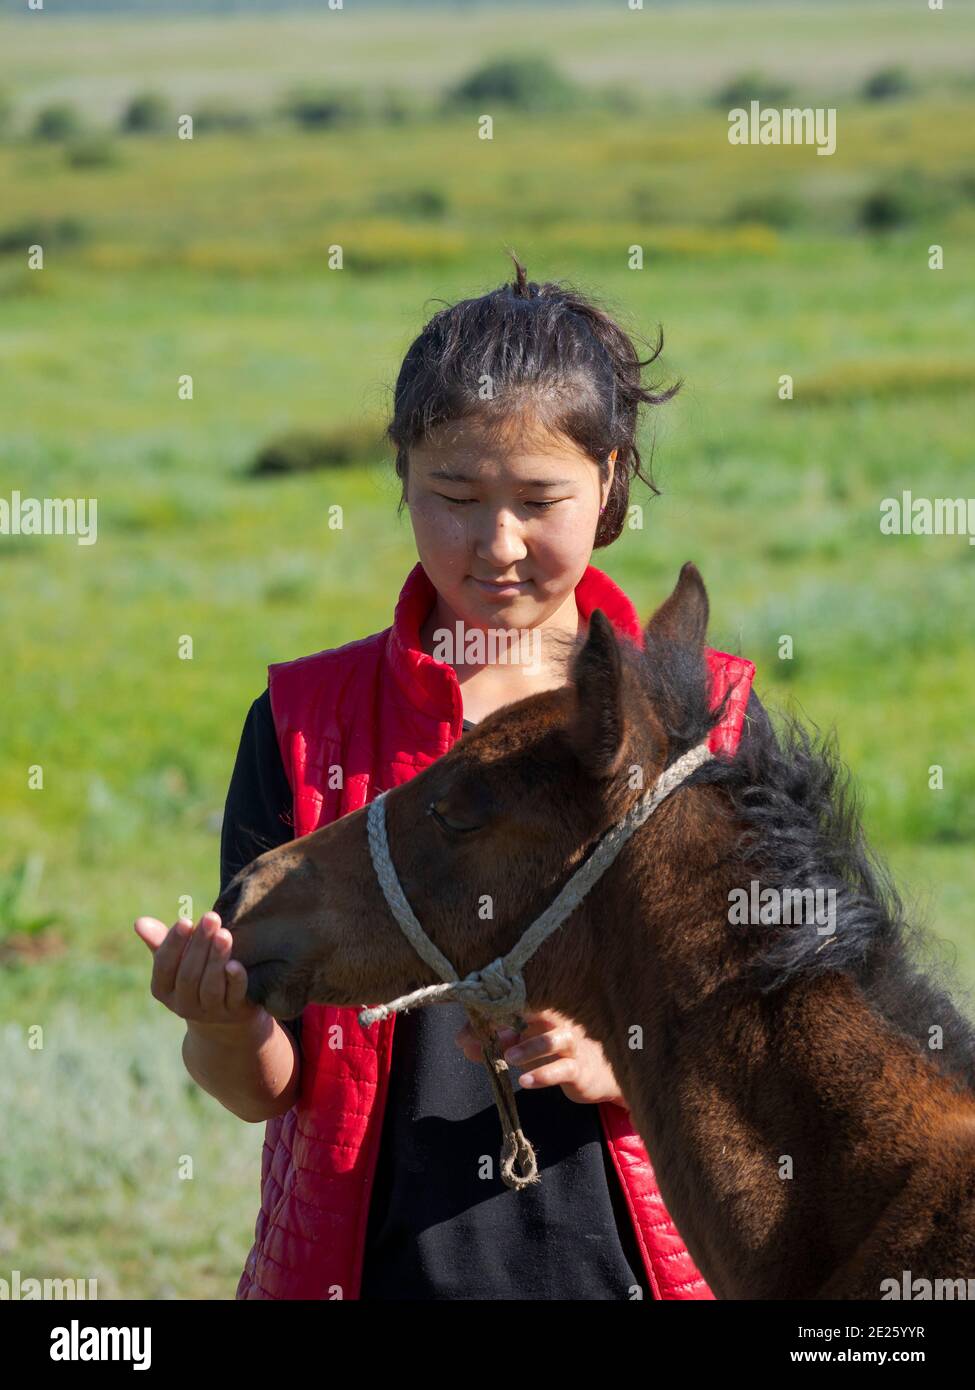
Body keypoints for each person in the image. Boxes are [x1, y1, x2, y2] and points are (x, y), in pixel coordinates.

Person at [135, 253, 767, 1300]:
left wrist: (629, 1064)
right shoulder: (306, 727)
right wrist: (219, 1020)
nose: (497, 543)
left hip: (650, 1270)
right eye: (456, 495)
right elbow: (264, 1088)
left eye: (539, 498)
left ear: (610, 479)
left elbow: (776, 1052)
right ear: (401, 475)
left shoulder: (705, 722)